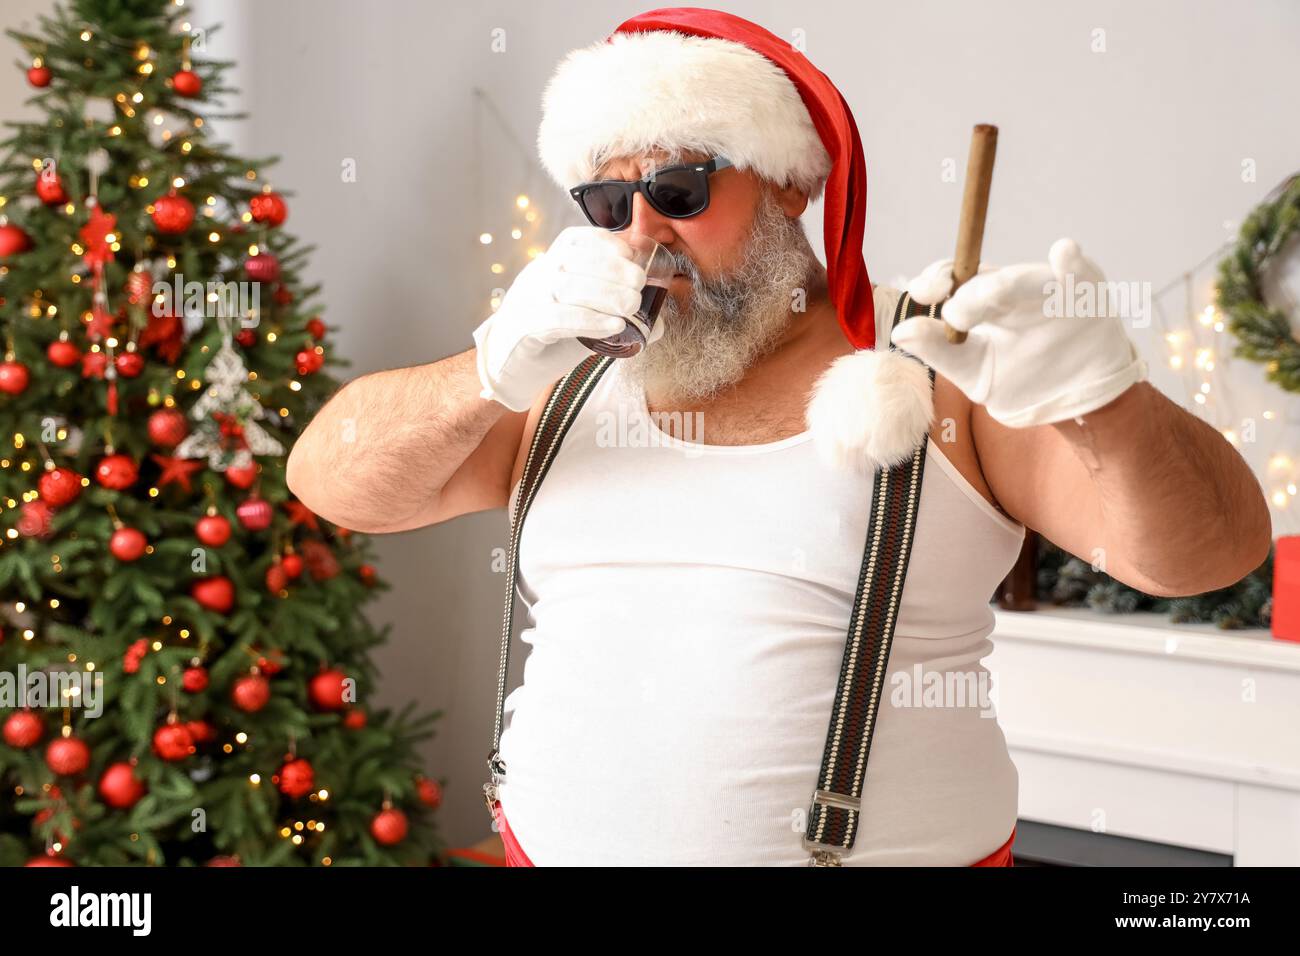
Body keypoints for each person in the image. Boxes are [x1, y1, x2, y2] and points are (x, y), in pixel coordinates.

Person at [286, 8, 1271, 866]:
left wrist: (1106, 401)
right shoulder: (559, 370)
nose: (641, 232)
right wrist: (486, 364)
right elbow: (332, 481)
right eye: (606, 200)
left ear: (791, 182)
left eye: (678, 189)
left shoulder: (941, 367)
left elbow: (1207, 553)